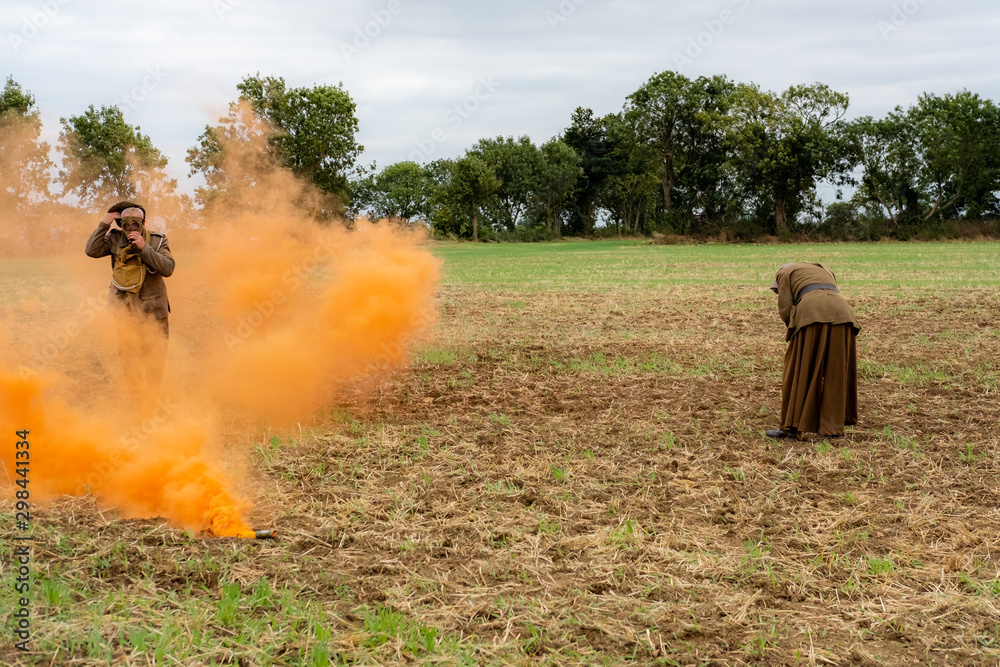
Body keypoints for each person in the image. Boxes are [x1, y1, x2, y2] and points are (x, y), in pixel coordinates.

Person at [85, 201, 175, 395]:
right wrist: (105, 221)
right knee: (129, 357)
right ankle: (135, 399)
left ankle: (152, 397)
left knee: (155, 357)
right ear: (120, 223)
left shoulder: (158, 240)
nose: (131, 227)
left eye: (136, 223)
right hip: (125, 311)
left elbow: (168, 268)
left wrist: (144, 248)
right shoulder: (115, 238)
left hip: (154, 311)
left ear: (144, 223)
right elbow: (91, 250)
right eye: (126, 223)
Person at [765, 262, 859, 440]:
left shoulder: (784, 273)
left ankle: (791, 427)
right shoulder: (824, 269)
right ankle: (833, 429)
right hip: (843, 313)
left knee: (799, 370)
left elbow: (785, 305)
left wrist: (792, 328)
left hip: (811, 312)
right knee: (836, 370)